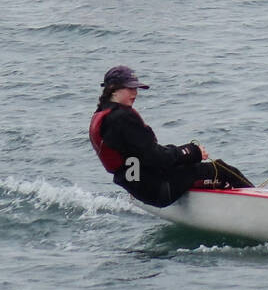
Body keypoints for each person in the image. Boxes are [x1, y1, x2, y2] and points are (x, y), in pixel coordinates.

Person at [89, 65, 252, 207]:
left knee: (192, 169)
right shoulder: (121, 118)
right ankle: (262, 207)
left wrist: (182, 154)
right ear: (113, 89)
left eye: (136, 88)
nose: (135, 93)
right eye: (130, 88)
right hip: (158, 190)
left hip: (138, 188)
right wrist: (192, 152)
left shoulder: (103, 115)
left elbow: (142, 155)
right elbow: (155, 157)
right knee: (221, 169)